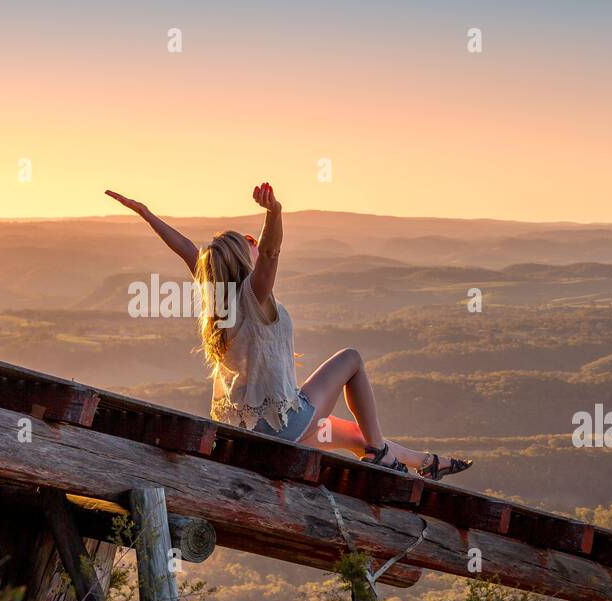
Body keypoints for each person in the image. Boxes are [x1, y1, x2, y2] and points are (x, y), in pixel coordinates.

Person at [105, 183, 471, 479]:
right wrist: (274, 212)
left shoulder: (217, 299)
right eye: (247, 243)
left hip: (250, 433)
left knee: (350, 432)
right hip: (281, 427)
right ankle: (380, 456)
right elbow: (271, 253)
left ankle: (424, 463)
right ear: (241, 261)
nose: (254, 244)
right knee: (352, 358)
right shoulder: (252, 296)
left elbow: (188, 250)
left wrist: (147, 214)